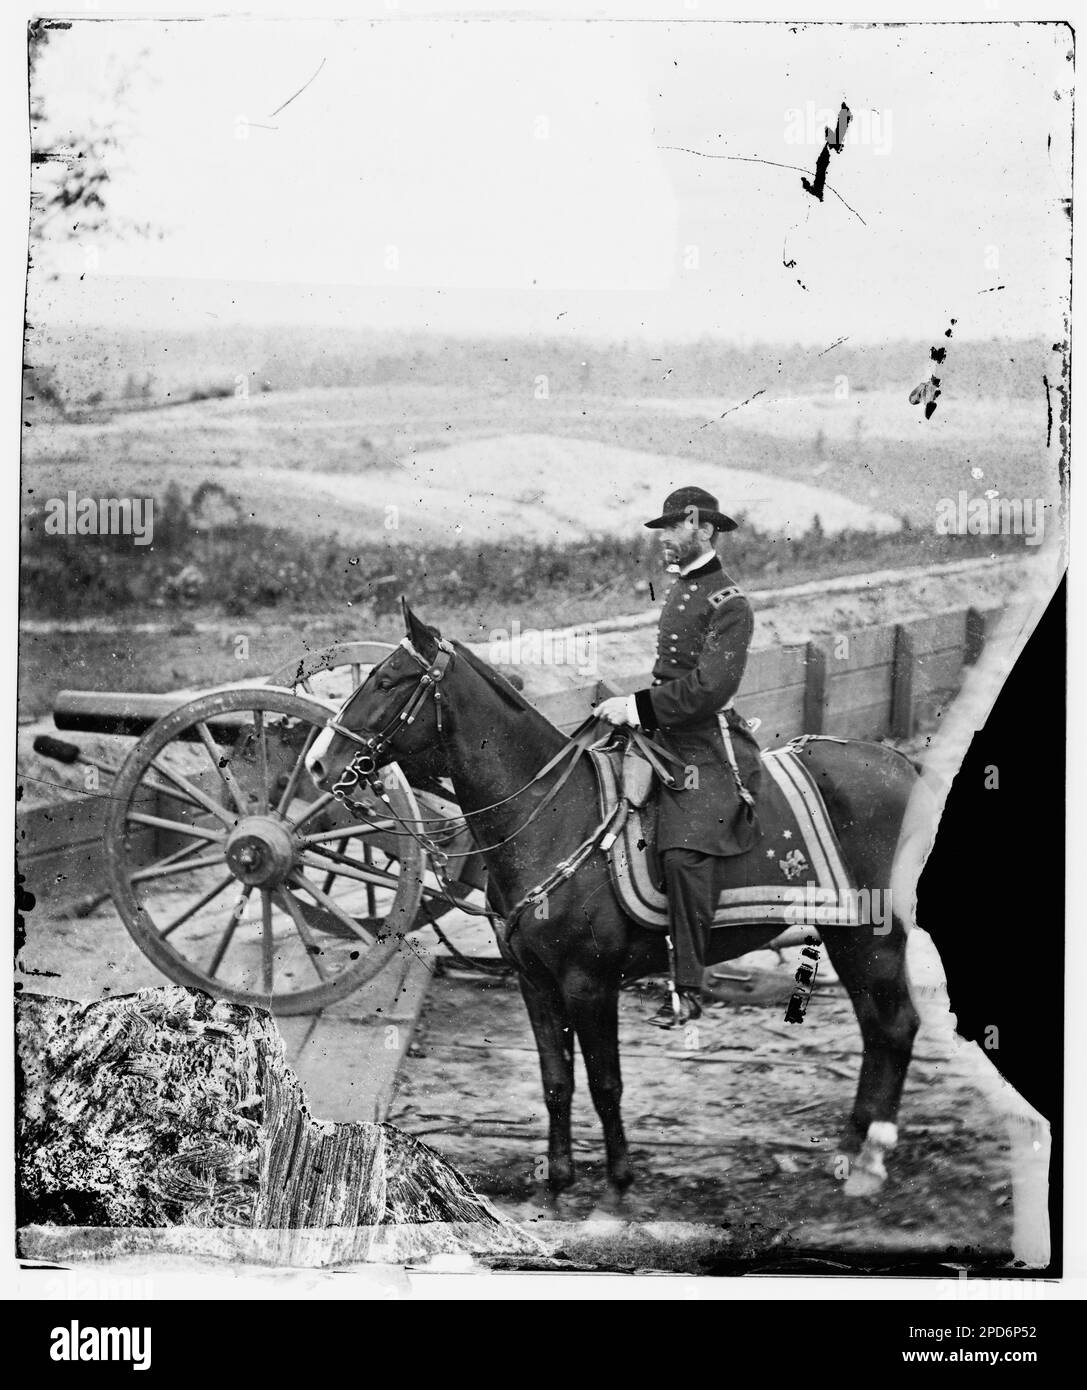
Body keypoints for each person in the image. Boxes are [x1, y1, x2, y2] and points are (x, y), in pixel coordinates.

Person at [593, 486, 762, 1027]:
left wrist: (638, 708)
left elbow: (710, 689)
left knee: (683, 855)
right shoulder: (681, 589)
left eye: (673, 529)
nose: (665, 540)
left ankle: (689, 986)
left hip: (706, 743)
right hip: (664, 731)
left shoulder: (729, 603)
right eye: (663, 531)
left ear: (705, 530)